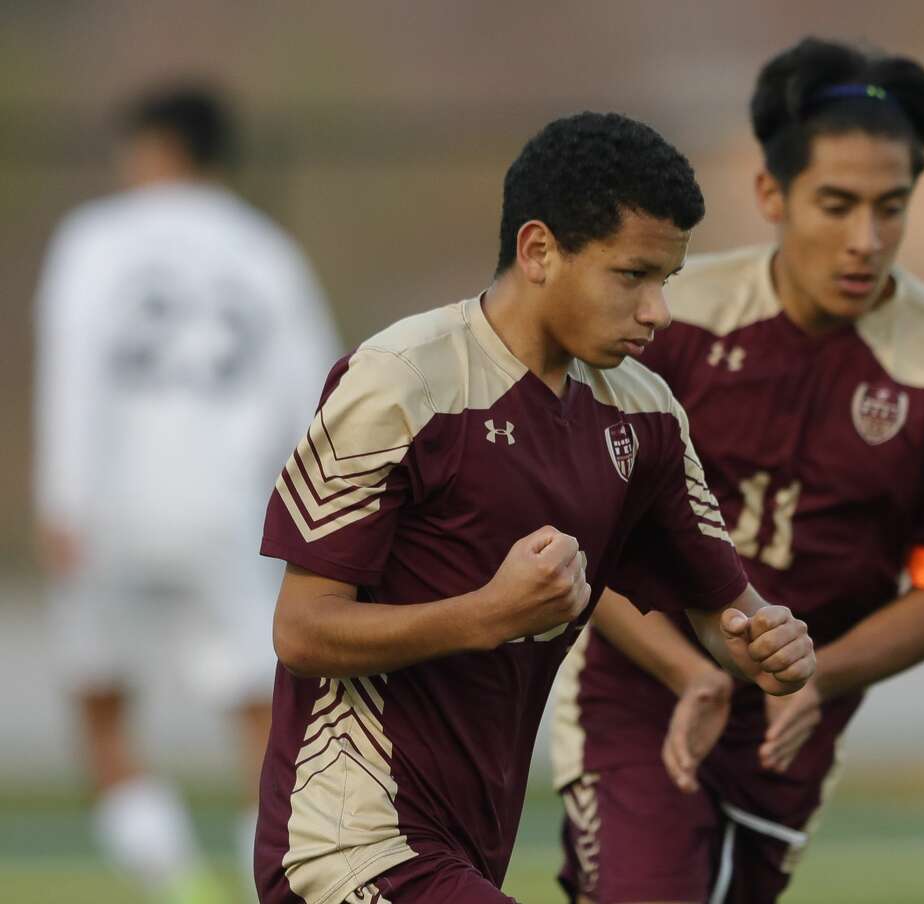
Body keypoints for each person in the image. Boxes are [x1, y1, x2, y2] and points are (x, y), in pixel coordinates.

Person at [253, 111, 816, 904]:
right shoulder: (400, 382)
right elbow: (301, 630)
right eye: (632, 275)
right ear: (539, 251)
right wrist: (488, 614)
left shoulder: (646, 415)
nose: (658, 310)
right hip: (344, 846)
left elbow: (727, 616)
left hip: (469, 849)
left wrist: (770, 644)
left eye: (667, 280)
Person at [551, 37, 924, 904]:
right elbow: (584, 538)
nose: (865, 240)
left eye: (891, 208)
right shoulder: (670, 318)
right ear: (771, 193)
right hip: (643, 688)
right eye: (836, 205)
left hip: (792, 724)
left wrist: (820, 676)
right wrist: (690, 670)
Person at [33, 84, 341, 903]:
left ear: (155, 148)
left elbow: (71, 370)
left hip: (111, 501)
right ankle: (263, 875)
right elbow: (318, 397)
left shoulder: (94, 238)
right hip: (228, 505)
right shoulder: (266, 252)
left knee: (99, 696)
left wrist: (60, 497)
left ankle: (170, 879)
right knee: (258, 704)